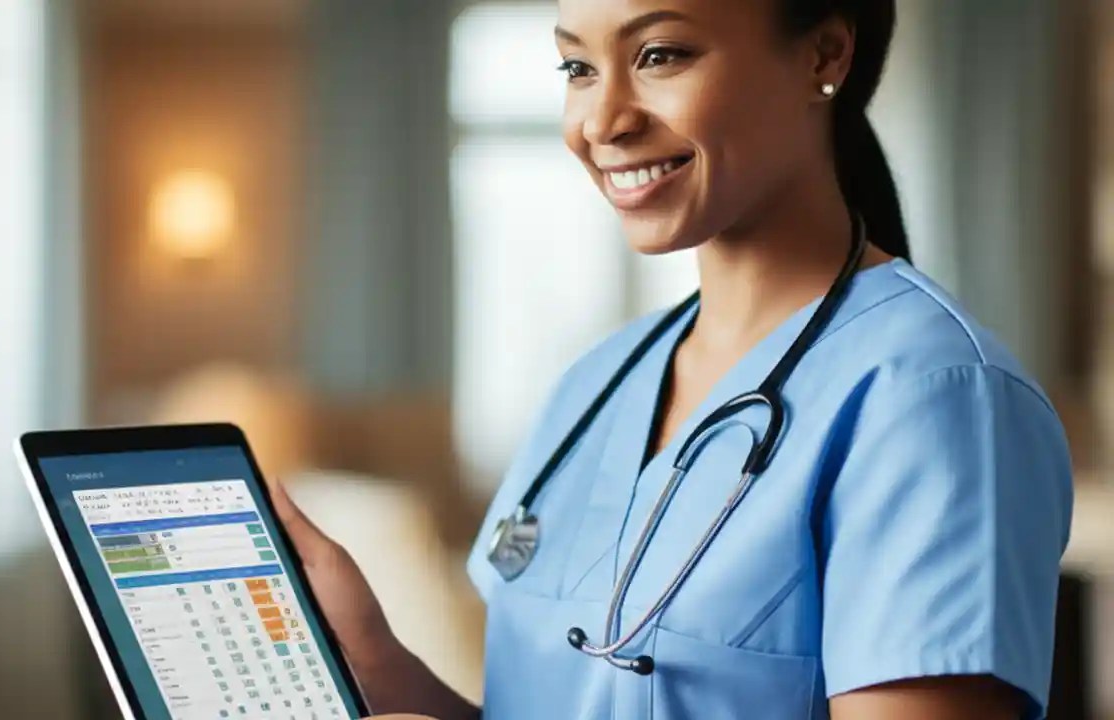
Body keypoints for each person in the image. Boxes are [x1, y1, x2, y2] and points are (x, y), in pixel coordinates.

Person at [273, 0, 1074, 717]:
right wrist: (375, 658)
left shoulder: (936, 398)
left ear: (825, 54)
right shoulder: (595, 384)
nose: (603, 120)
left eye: (660, 55)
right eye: (578, 68)